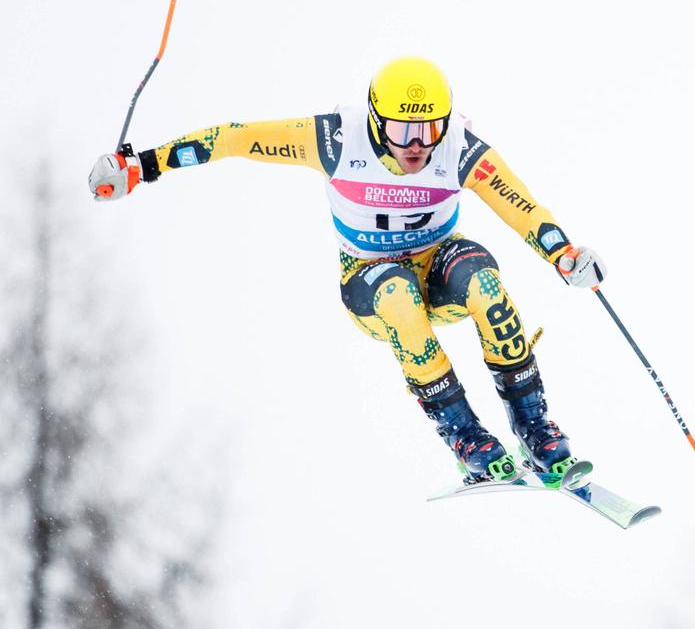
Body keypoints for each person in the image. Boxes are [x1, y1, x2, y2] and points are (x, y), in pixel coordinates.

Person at [88, 56, 606, 485]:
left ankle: (535, 429)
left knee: (485, 283)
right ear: (377, 121)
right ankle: (464, 435)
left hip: (437, 270)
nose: (417, 145)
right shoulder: (336, 139)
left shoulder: (458, 149)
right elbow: (236, 138)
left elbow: (520, 205)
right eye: (403, 130)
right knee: (400, 298)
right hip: (371, 280)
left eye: (429, 129)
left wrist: (564, 255)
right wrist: (142, 166)